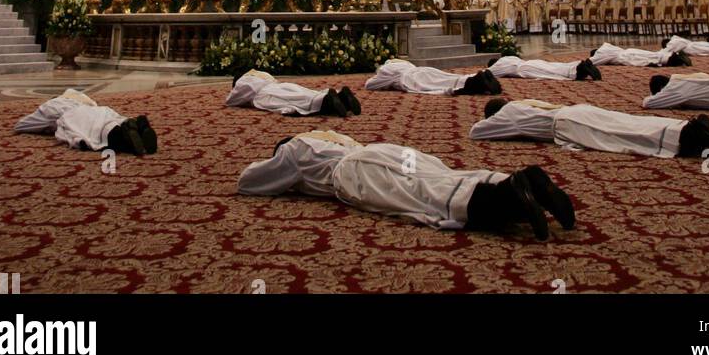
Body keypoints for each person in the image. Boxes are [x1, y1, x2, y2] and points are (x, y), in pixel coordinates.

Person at [237, 130, 575, 240]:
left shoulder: (296, 149)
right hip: (386, 152)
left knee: (426, 196)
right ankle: (522, 180)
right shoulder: (332, 136)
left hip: (359, 172)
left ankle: (509, 197)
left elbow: (250, 181)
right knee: (441, 177)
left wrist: (279, 158)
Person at [469, 98, 709, 160]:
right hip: (576, 111)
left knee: (621, 135)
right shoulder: (521, 103)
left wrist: (491, 114)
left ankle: (688, 138)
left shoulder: (508, 113)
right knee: (628, 122)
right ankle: (683, 127)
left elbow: (477, 131)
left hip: (568, 124)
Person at [14, 90, 158, 155]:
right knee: (114, 120)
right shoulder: (81, 98)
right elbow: (91, 103)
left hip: (76, 116)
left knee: (97, 135)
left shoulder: (51, 106)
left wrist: (47, 126)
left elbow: (22, 125)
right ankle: (140, 125)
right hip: (100, 111)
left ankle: (129, 141)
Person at [227, 68, 361, 118]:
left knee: (300, 102)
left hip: (268, 94)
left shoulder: (243, 81)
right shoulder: (261, 74)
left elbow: (233, 100)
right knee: (305, 94)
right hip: (282, 86)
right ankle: (341, 96)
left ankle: (329, 101)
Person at [365, 59, 502, 97]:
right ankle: (475, 78)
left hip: (410, 79)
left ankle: (477, 83)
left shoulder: (385, 70)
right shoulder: (404, 63)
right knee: (447, 77)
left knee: (437, 85)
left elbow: (369, 85)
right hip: (422, 70)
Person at [486, 54, 602, 82]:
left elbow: (489, 73)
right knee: (553, 66)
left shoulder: (499, 65)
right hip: (530, 62)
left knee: (552, 72)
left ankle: (579, 70)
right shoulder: (508, 57)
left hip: (525, 69)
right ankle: (577, 65)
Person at [589, 41, 691, 68]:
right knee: (650, 55)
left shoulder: (602, 53)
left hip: (626, 57)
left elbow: (594, 61)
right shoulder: (609, 47)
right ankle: (674, 57)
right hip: (629, 51)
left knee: (647, 59)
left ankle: (673, 59)